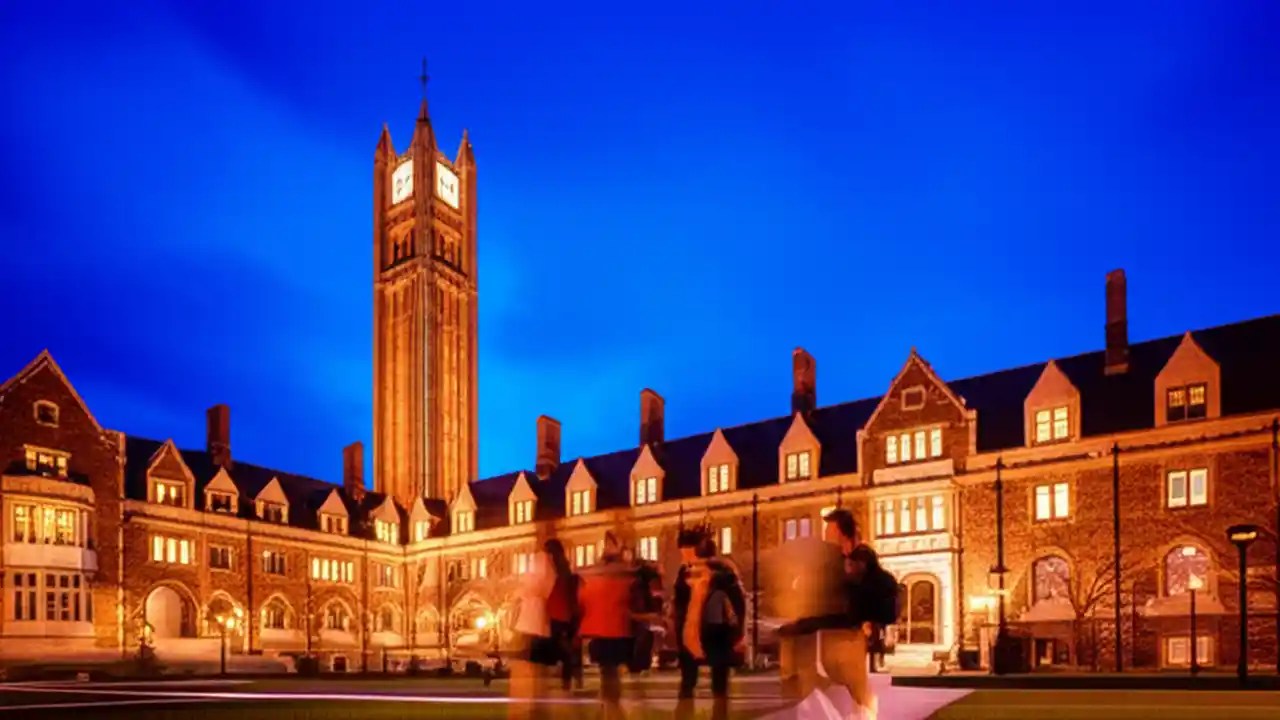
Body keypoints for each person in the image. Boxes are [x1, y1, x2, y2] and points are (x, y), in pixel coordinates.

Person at [818, 507, 886, 720]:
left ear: (842, 534)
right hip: (838, 630)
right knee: (839, 682)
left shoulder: (862, 557)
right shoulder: (838, 560)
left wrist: (869, 622)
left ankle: (865, 715)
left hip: (855, 631)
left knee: (856, 685)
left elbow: (870, 590)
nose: (826, 535)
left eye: (830, 530)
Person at [677, 537, 745, 720]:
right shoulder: (727, 572)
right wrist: (738, 632)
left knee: (688, 682)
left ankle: (683, 716)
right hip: (719, 631)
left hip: (691, 630)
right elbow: (739, 603)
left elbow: (679, 605)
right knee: (720, 683)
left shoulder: (687, 571)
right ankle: (719, 717)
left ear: (697, 552)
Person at [577, 532, 637, 719]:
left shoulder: (594, 577)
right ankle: (610, 709)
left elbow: (583, 599)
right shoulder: (626, 576)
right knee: (612, 674)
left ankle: (608, 709)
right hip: (618, 629)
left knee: (607, 673)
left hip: (600, 630)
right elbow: (629, 600)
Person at [509, 543, 558, 720]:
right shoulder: (548, 571)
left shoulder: (542, 567)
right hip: (538, 629)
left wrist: (520, 591)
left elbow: (534, 586)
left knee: (526, 685)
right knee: (535, 686)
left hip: (531, 628)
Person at [543, 539, 581, 693]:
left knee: (561, 648)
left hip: (559, 614)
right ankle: (569, 679)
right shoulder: (563, 569)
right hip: (564, 614)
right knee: (565, 649)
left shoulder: (556, 571)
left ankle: (567, 680)